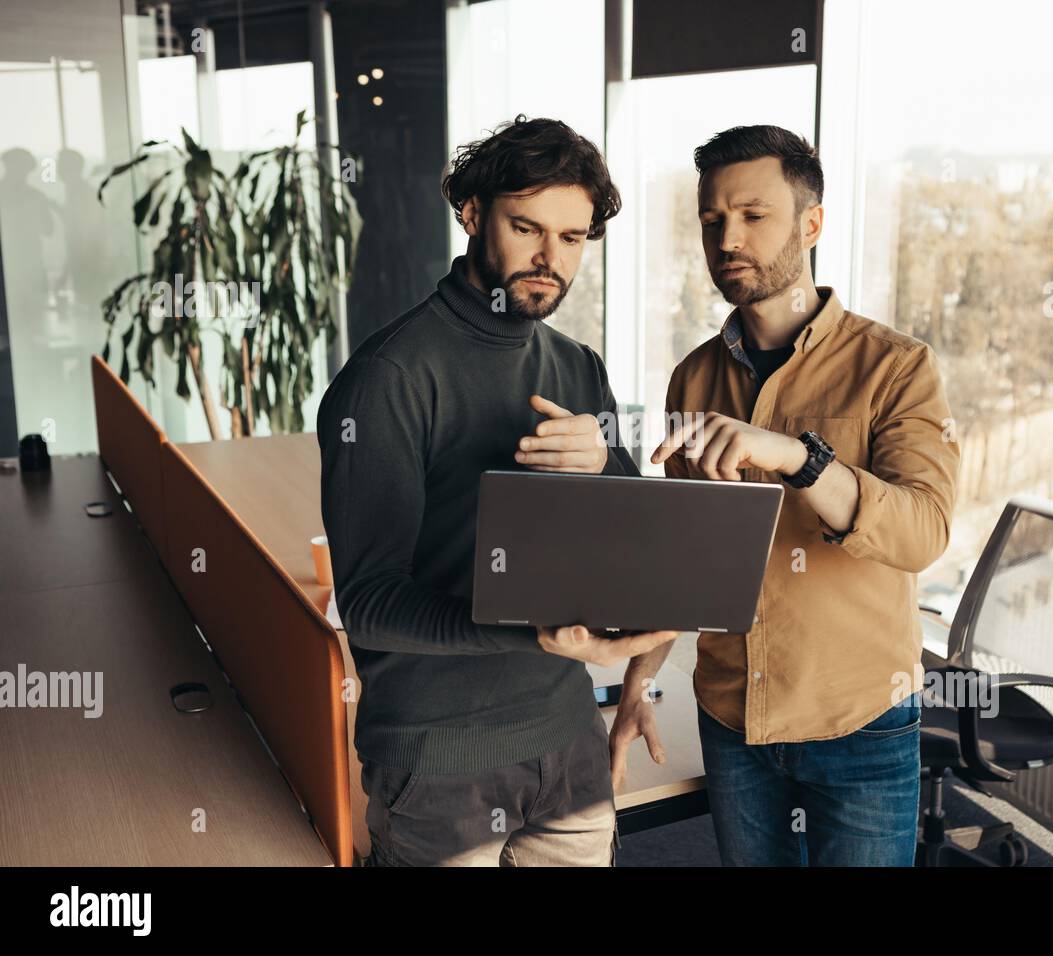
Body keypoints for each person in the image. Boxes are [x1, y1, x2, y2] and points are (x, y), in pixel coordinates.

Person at [318, 116, 676, 867]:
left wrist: (605, 464)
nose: (551, 258)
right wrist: (527, 634)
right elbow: (370, 605)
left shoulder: (578, 366)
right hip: (437, 764)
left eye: (573, 238)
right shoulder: (389, 379)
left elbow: (635, 540)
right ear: (473, 214)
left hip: (566, 735)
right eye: (527, 227)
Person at [613, 124, 959, 866]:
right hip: (733, 719)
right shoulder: (693, 377)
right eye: (712, 220)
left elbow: (922, 532)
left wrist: (802, 459)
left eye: (752, 215)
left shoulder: (896, 368)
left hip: (859, 720)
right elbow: (685, 560)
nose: (727, 237)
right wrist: (636, 683)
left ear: (812, 223)